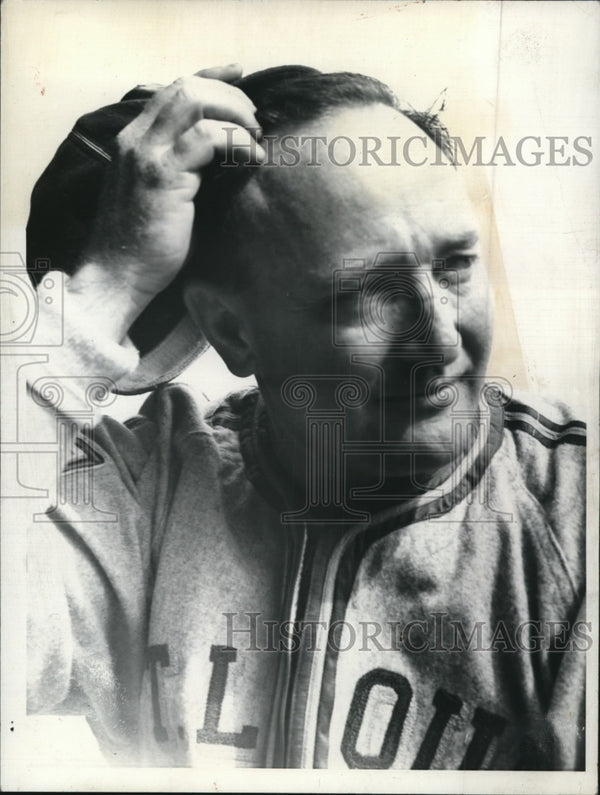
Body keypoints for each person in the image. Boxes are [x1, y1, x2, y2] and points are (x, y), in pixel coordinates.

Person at [24, 63, 586, 769]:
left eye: (456, 265)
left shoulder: (574, 505)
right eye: (363, 297)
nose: (440, 340)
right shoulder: (150, 496)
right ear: (231, 331)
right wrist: (104, 291)